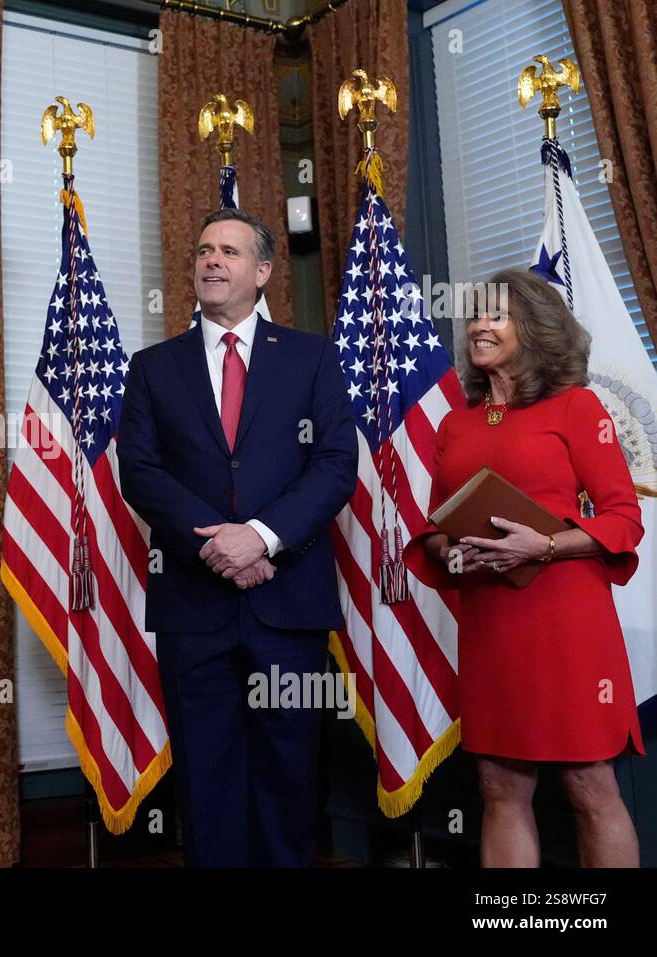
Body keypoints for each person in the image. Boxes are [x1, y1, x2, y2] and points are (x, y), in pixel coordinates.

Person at [116, 208, 357, 866]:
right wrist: (216, 546)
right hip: (195, 605)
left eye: (228, 250)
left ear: (263, 270)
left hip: (289, 601)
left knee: (290, 775)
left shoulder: (311, 357)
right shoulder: (153, 367)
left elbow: (336, 464)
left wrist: (261, 536)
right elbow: (138, 471)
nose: (212, 260)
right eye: (203, 251)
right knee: (207, 776)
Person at [405, 268, 644, 868]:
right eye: (474, 317)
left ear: (535, 330)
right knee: (497, 787)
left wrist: (542, 546)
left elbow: (622, 518)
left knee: (590, 787)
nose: (478, 326)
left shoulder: (576, 407)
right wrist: (447, 550)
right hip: (490, 622)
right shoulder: (456, 423)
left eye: (496, 316)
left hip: (566, 621)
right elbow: (437, 522)